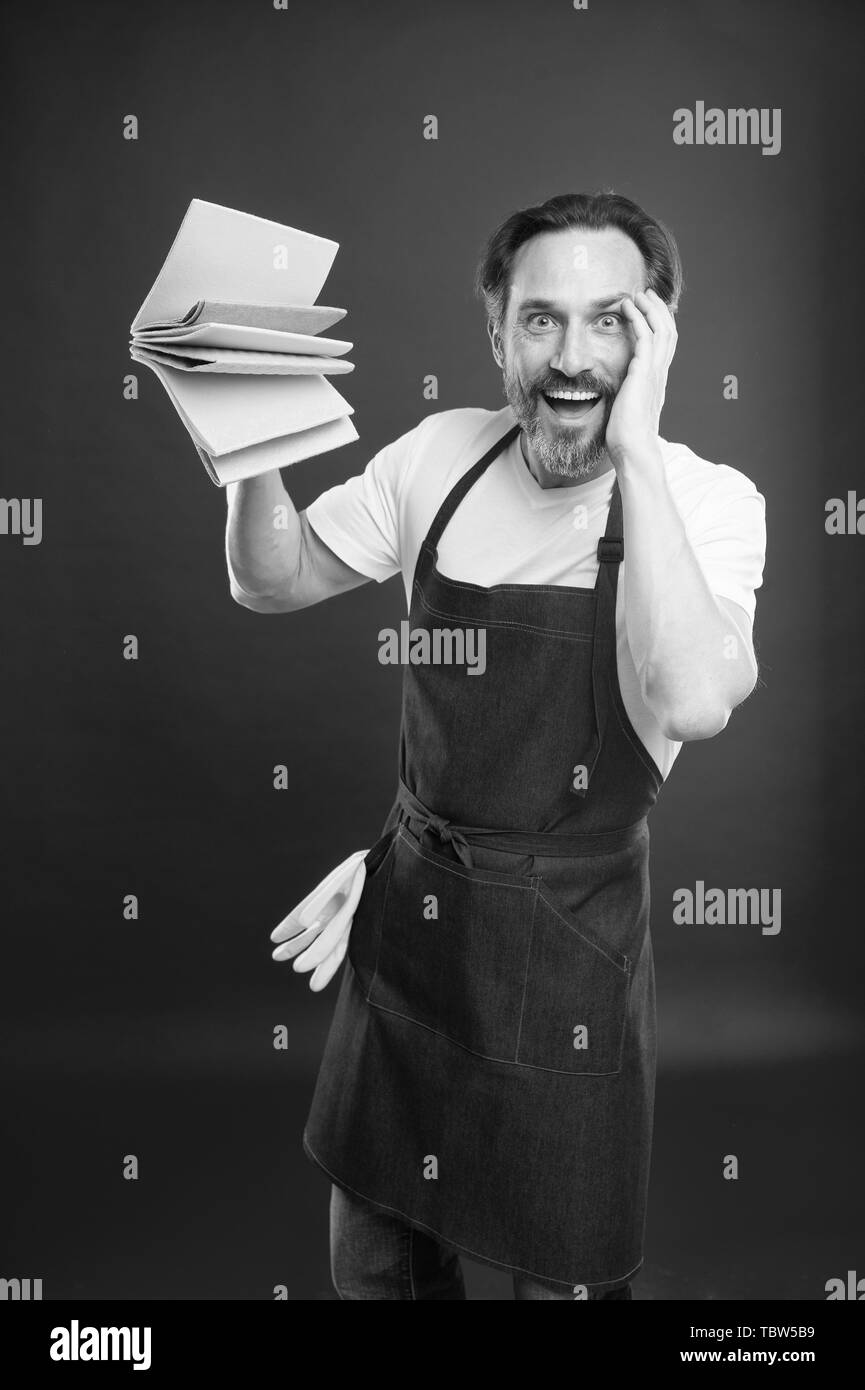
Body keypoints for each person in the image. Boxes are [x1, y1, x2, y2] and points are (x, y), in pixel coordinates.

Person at [226, 191, 766, 1300]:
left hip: (570, 961)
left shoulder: (709, 504)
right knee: (375, 1265)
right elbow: (267, 576)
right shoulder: (438, 456)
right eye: (540, 319)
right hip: (411, 930)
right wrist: (245, 434)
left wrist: (639, 454)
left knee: (556, 1282)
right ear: (494, 327)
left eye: (609, 320)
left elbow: (691, 697)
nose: (572, 357)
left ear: (657, 335)